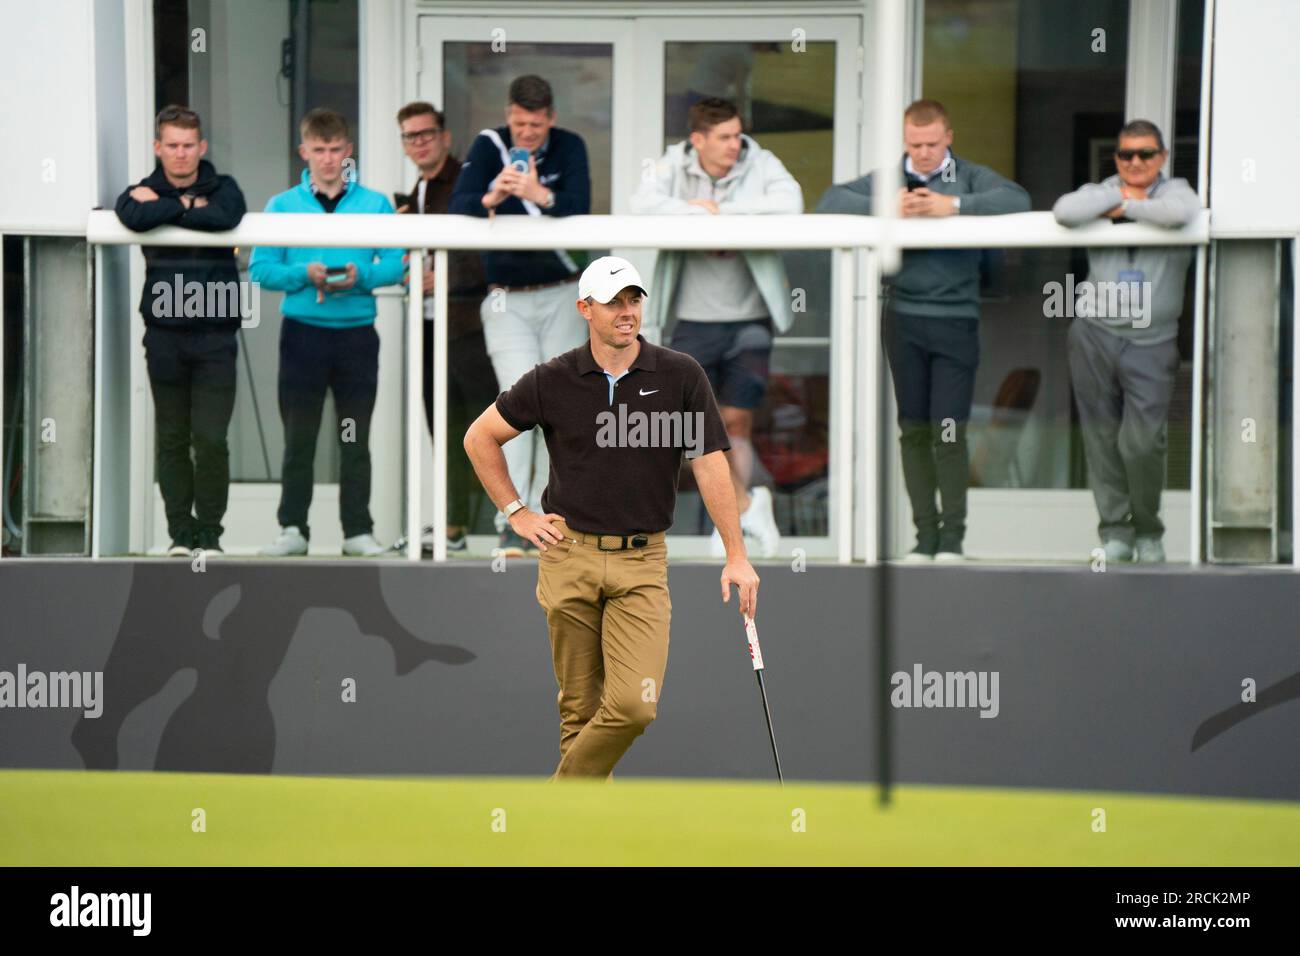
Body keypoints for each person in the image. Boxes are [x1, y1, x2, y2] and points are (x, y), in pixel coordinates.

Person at [463, 256, 761, 780]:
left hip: (642, 562)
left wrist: (737, 554)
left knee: (632, 706)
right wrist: (517, 512)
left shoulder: (679, 374)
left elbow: (711, 462)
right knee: (578, 711)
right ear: (585, 309)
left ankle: (554, 802)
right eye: (614, 303)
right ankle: (576, 842)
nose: (627, 312)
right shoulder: (551, 378)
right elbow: (480, 437)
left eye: (634, 301)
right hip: (568, 555)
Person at [816, 99, 1030, 562]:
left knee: (948, 431)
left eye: (933, 143)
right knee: (911, 430)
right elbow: (829, 201)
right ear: (904, 140)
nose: (926, 152)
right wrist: (889, 205)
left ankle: (952, 540)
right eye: (916, 144)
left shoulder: (970, 176)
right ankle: (924, 538)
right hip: (903, 317)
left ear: (949, 136)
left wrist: (950, 206)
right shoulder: (890, 178)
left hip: (957, 318)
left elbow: (1018, 200)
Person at [630, 97, 802, 558]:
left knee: (736, 423)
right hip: (692, 320)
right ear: (698, 140)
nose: (734, 145)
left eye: (737, 135)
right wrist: (694, 211)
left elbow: (791, 205)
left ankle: (733, 527)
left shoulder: (760, 161)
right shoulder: (672, 164)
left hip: (749, 318)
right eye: (723, 137)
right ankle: (744, 507)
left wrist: (724, 214)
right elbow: (642, 206)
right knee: (692, 429)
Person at [251, 108, 404, 557]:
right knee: (299, 436)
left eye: (336, 149)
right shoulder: (281, 205)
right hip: (302, 335)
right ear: (304, 152)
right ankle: (292, 529)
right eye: (319, 150)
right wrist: (305, 273)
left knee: (354, 437)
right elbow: (261, 270)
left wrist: (360, 276)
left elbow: (397, 265)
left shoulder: (375, 204)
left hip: (356, 335)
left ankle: (357, 530)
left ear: (348, 151)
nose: (328, 159)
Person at [449, 74, 591, 558]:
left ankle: (558, 516)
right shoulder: (490, 145)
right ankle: (513, 519)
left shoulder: (570, 145)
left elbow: (580, 206)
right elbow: (461, 204)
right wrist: (494, 195)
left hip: (562, 291)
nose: (525, 133)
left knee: (562, 407)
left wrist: (537, 192)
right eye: (518, 123)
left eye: (534, 124)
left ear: (550, 118)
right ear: (508, 115)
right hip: (505, 297)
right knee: (514, 408)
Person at [1053, 120, 1199, 564]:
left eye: (1146, 154)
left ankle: (1148, 531)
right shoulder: (1099, 190)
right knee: (1100, 437)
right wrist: (1119, 196)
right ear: (1116, 157)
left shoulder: (1178, 189)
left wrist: (1126, 208)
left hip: (1153, 340)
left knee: (1142, 443)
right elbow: (1064, 211)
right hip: (1095, 332)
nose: (1135, 162)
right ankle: (1116, 532)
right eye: (1126, 155)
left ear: (1163, 157)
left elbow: (1177, 213)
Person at [115, 105, 247, 557]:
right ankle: (179, 534)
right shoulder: (142, 190)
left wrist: (170, 209)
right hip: (165, 333)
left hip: (216, 335)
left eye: (189, 145)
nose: (181, 153)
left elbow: (226, 215)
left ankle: (209, 534)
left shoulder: (223, 187)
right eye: (171, 145)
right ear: (158, 148)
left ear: (202, 147)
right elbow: (130, 213)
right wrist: (189, 207)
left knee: (210, 439)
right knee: (172, 436)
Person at [395, 101, 497, 554]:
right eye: (410, 136)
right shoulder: (415, 192)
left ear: (445, 136)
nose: (419, 143)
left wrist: (443, 276)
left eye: (426, 134)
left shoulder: (464, 182)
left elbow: (488, 250)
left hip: (469, 324)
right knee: (445, 427)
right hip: (430, 326)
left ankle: (497, 525)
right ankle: (453, 525)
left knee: (484, 428)